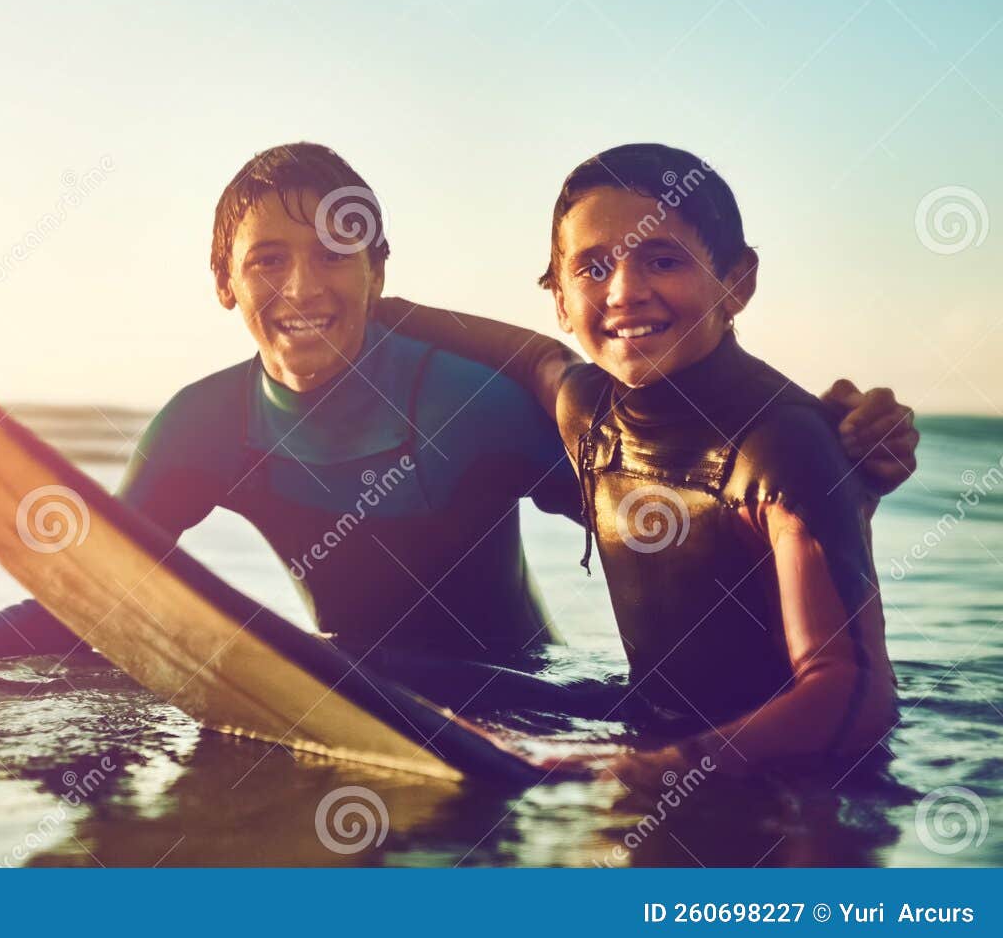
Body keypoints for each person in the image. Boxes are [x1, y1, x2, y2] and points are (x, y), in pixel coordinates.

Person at [0, 143, 915, 722]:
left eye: (335, 253)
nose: (301, 286)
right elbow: (98, 595)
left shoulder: (475, 405)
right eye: (265, 261)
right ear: (224, 287)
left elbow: (673, 519)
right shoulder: (203, 426)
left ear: (380, 273)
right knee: (104, 701)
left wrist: (830, 477)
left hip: (517, 693)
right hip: (351, 693)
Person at [377, 143, 908, 786]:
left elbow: (853, 698)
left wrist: (655, 770)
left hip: (792, 770)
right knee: (378, 674)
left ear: (737, 282)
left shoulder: (779, 449)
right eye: (592, 269)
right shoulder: (590, 411)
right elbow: (531, 357)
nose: (624, 293)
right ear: (559, 298)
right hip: (649, 717)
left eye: (662, 260)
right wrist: (375, 312)